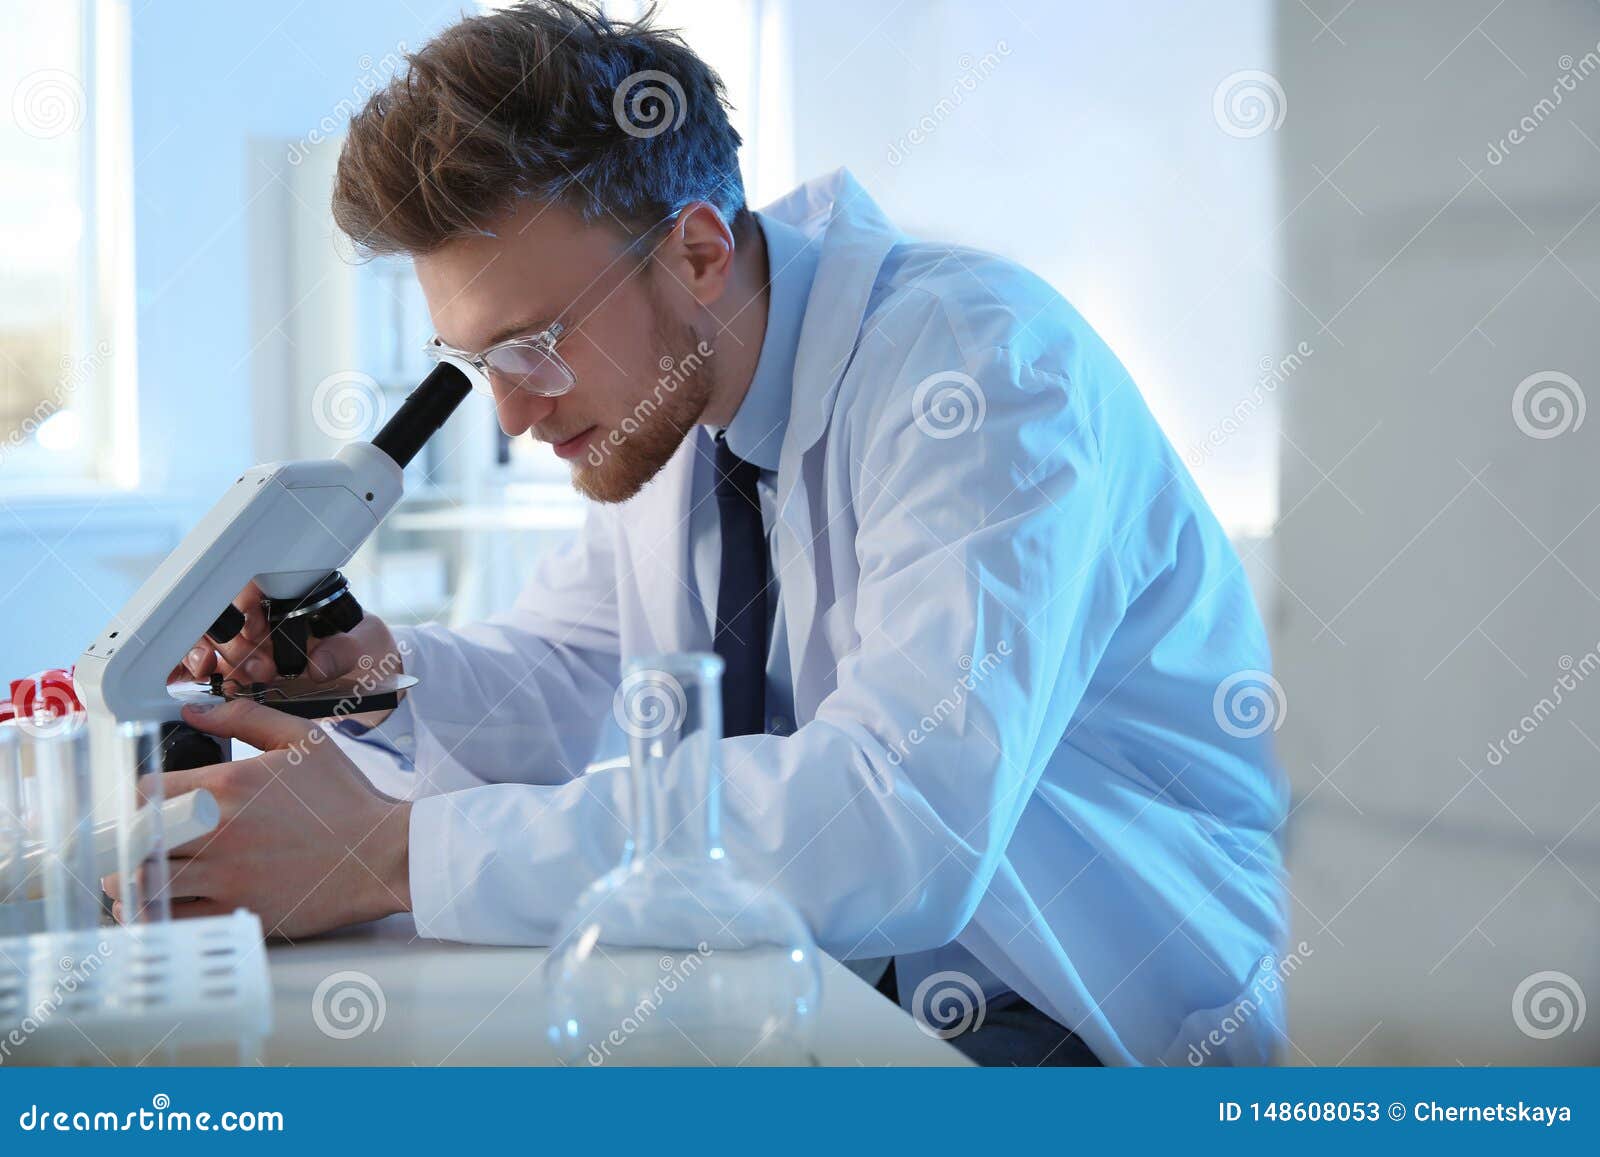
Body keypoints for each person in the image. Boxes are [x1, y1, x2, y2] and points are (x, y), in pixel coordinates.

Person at [144, 0, 1289, 1066]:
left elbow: (898, 815)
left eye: (533, 340)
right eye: (481, 359)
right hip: (827, 985)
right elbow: (565, 666)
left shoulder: (979, 371)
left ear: (695, 250)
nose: (511, 410)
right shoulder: (671, 400)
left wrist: (389, 853)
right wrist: (378, 681)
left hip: (1071, 1016)